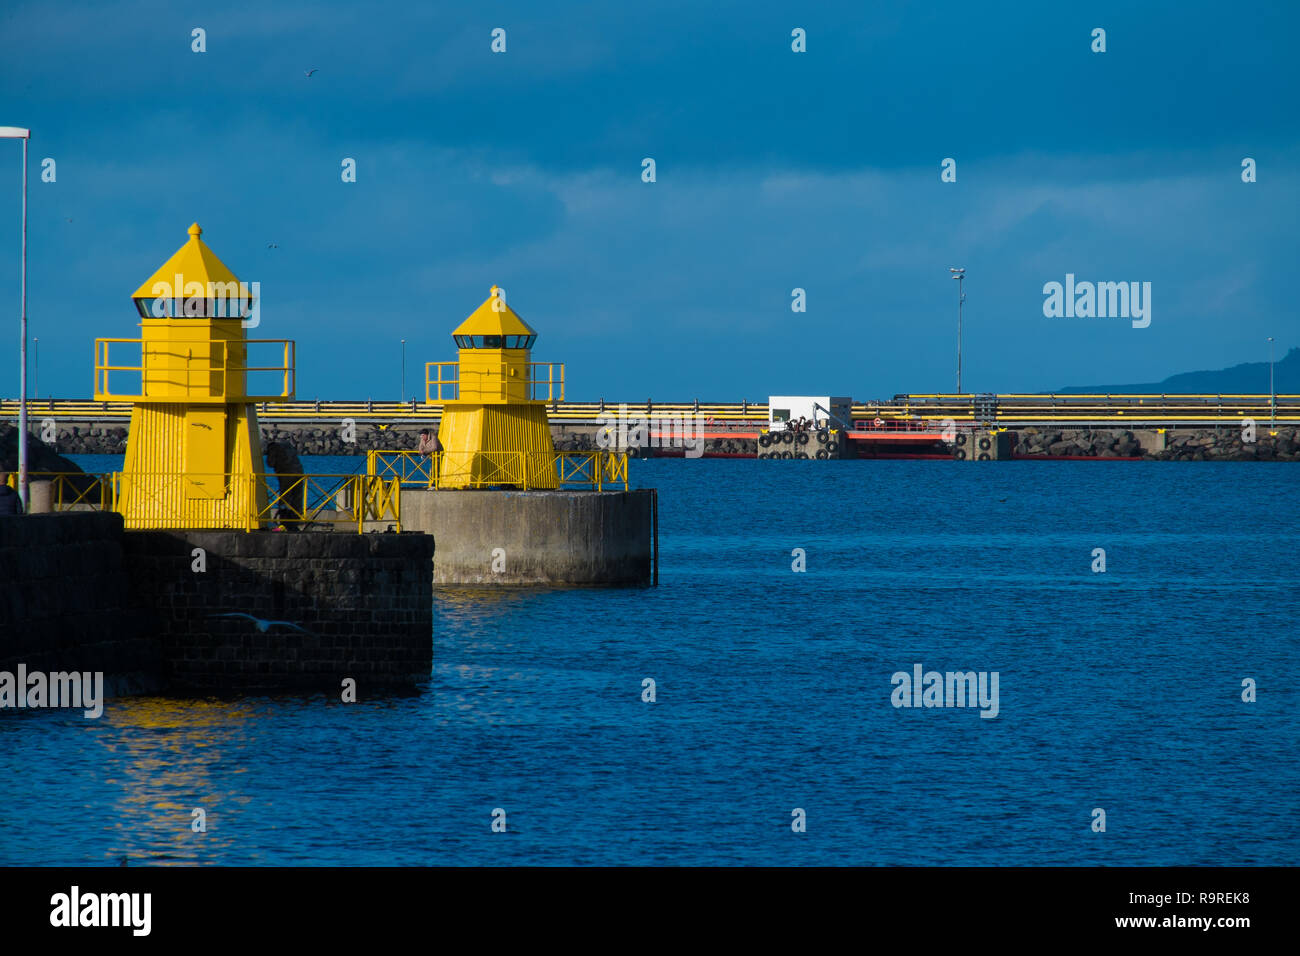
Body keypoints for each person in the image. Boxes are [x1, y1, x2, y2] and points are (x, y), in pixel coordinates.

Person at [264, 441, 306, 529]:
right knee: (297, 498)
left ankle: (285, 521)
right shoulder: (288, 445)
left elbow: (270, 463)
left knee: (285, 498)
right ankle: (295, 520)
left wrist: (268, 455)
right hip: (299, 473)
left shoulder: (274, 449)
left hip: (286, 474)